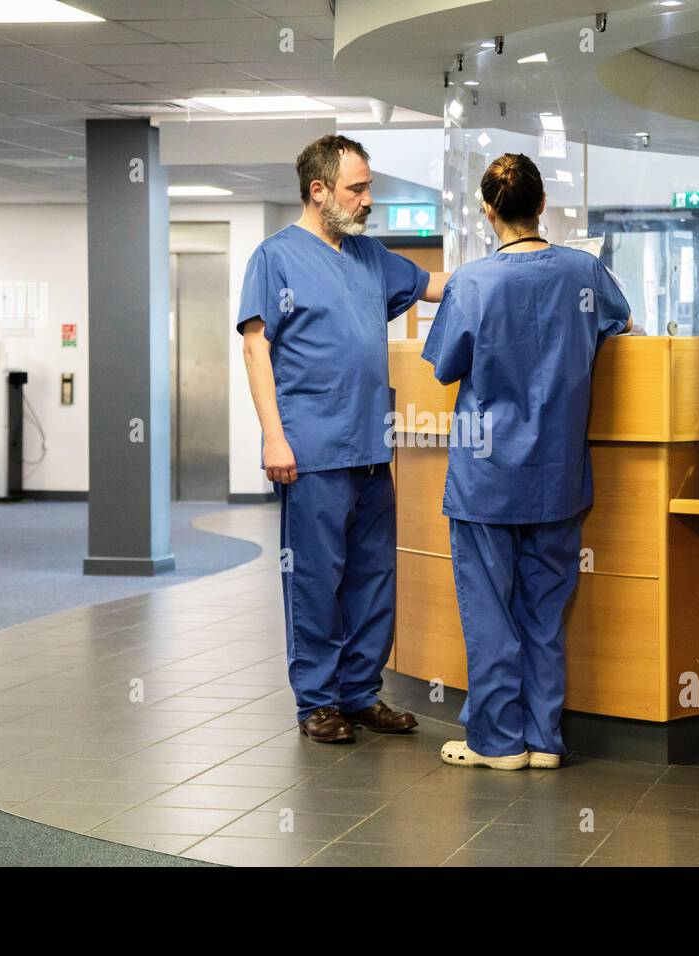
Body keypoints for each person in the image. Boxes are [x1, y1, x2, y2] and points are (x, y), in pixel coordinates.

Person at [421, 153, 632, 770]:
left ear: (489, 213)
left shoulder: (471, 283)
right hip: (558, 475)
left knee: (490, 612)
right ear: (542, 205)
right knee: (544, 612)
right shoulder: (584, 272)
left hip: (488, 478)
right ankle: (543, 738)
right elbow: (618, 330)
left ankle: (496, 741)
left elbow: (443, 366)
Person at [237, 134, 449, 743]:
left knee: (374, 577)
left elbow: (436, 285)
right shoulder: (275, 258)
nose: (368, 200)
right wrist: (274, 439)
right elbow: (256, 348)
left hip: (371, 451)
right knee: (314, 579)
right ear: (319, 190)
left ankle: (360, 692)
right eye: (357, 188)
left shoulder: (369, 257)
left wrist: (511, 267)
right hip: (311, 452)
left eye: (369, 187)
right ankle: (317, 703)